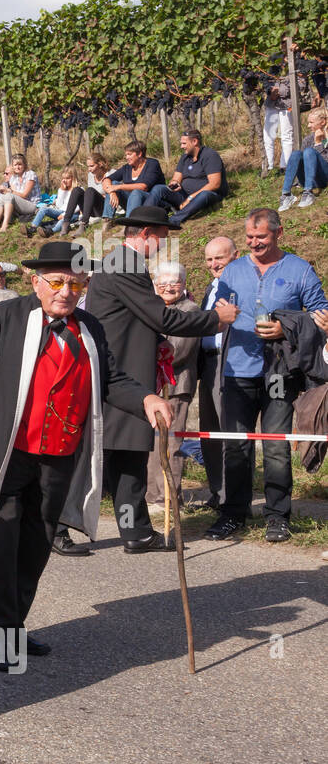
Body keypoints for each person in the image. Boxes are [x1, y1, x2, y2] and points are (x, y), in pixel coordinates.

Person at [0, 241, 165, 670]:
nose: (65, 291)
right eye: (56, 282)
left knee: (36, 544)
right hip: (6, 452)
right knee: (0, 541)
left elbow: (110, 380)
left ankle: (14, 626)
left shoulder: (90, 328)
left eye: (74, 282)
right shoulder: (4, 317)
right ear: (36, 282)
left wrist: (145, 399)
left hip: (58, 456)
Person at [80, 205, 237, 553]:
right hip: (121, 376)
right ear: (148, 235)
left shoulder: (120, 263)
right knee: (118, 457)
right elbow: (163, 317)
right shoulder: (124, 265)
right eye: (163, 237)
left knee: (128, 457)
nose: (164, 243)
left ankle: (135, 532)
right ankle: (64, 527)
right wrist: (216, 318)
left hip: (123, 372)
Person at [205, 208, 328, 542]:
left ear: (279, 233)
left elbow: (321, 312)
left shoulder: (300, 270)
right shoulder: (232, 271)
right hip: (236, 371)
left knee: (275, 447)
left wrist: (286, 329)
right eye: (248, 237)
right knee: (236, 446)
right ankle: (233, 514)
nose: (254, 243)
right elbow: (214, 310)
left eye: (261, 237)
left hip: (280, 374)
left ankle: (277, 517)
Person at [143, 262, 202, 514]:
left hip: (176, 385)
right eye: (162, 283)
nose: (168, 287)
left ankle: (168, 498)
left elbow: (178, 352)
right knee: (153, 444)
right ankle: (151, 495)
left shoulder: (190, 310)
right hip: (152, 386)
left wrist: (147, 353)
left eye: (174, 282)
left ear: (184, 284)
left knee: (172, 444)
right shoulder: (153, 308)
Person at [194, 236, 238, 508]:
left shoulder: (242, 286)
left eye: (219, 258)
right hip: (208, 365)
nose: (214, 264)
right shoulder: (210, 289)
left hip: (232, 362)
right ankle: (217, 492)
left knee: (229, 431)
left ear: (235, 255)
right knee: (208, 431)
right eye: (209, 259)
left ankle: (232, 496)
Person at [148, 129, 227, 226]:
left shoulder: (210, 155)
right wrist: (175, 183)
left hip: (207, 195)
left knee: (204, 194)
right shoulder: (185, 157)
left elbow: (215, 184)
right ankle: (144, 218)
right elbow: (176, 177)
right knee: (158, 188)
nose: (181, 146)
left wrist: (190, 198)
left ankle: (172, 221)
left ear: (195, 141)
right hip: (184, 195)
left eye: (184, 143)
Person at [99, 141, 164, 221]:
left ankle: (129, 223)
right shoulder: (127, 168)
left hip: (150, 201)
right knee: (113, 183)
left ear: (139, 154)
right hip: (131, 202)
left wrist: (118, 187)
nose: (126, 157)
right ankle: (107, 219)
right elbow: (106, 180)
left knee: (136, 192)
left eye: (129, 154)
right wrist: (111, 192)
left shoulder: (152, 164)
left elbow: (143, 187)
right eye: (126, 155)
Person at [279, 105, 327, 211]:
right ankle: (286, 194)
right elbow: (301, 162)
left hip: (324, 177)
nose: (309, 125)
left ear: (323, 122)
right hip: (308, 179)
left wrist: (318, 144)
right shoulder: (308, 139)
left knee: (309, 151)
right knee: (296, 153)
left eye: (311, 122)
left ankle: (309, 193)